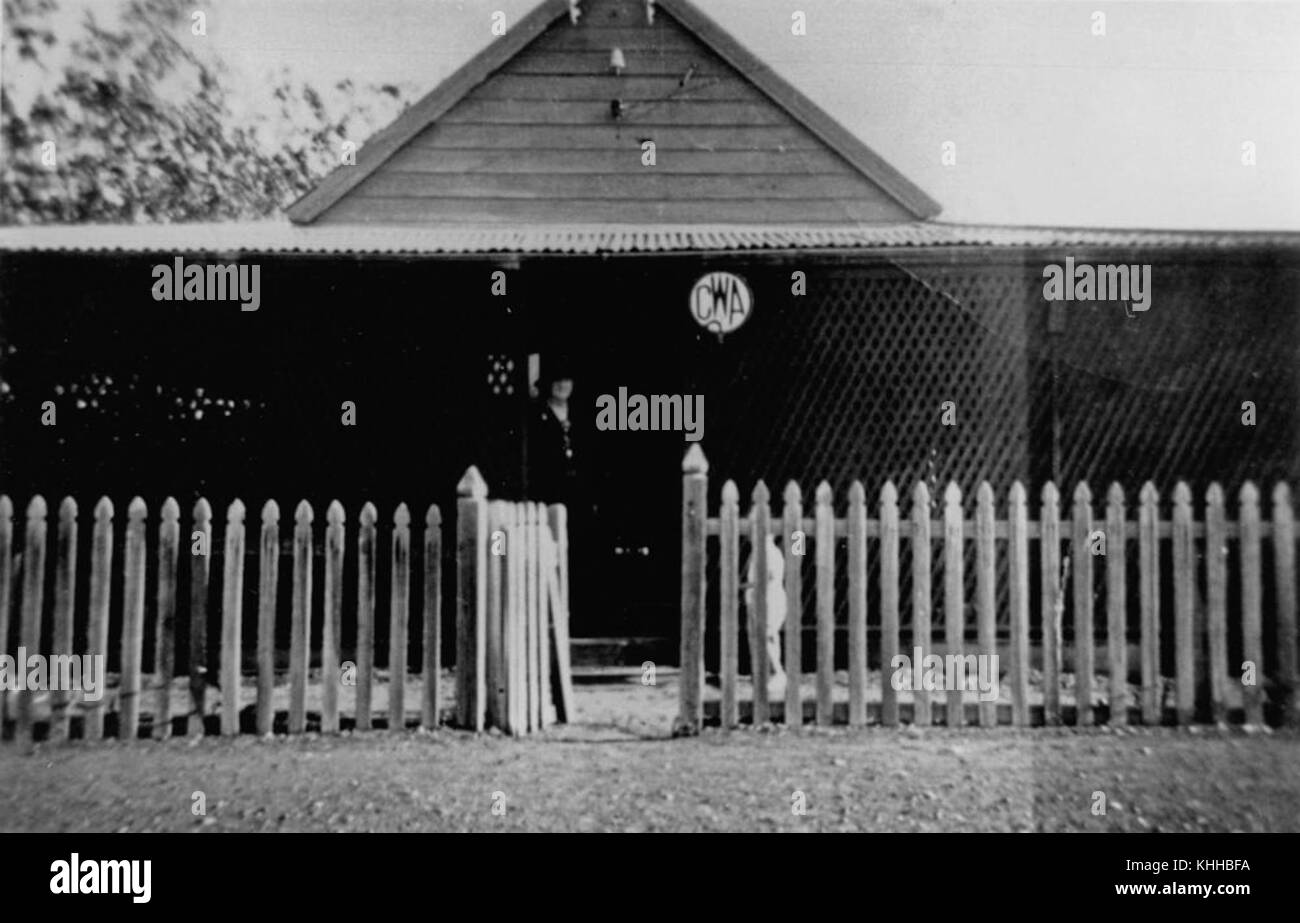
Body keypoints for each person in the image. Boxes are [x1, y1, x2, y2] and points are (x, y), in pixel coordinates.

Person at [528, 359, 593, 626]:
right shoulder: (537, 415)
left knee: (579, 548)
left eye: (566, 381)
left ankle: (579, 610)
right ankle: (553, 610)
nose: (562, 386)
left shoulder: (580, 415)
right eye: (556, 381)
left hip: (577, 494)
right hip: (550, 492)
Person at [743, 534, 787, 697]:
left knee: (767, 636)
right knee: (760, 637)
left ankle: (778, 673)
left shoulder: (769, 552)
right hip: (759, 599)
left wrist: (744, 586)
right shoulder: (758, 551)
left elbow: (769, 578)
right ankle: (766, 674)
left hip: (769, 599)